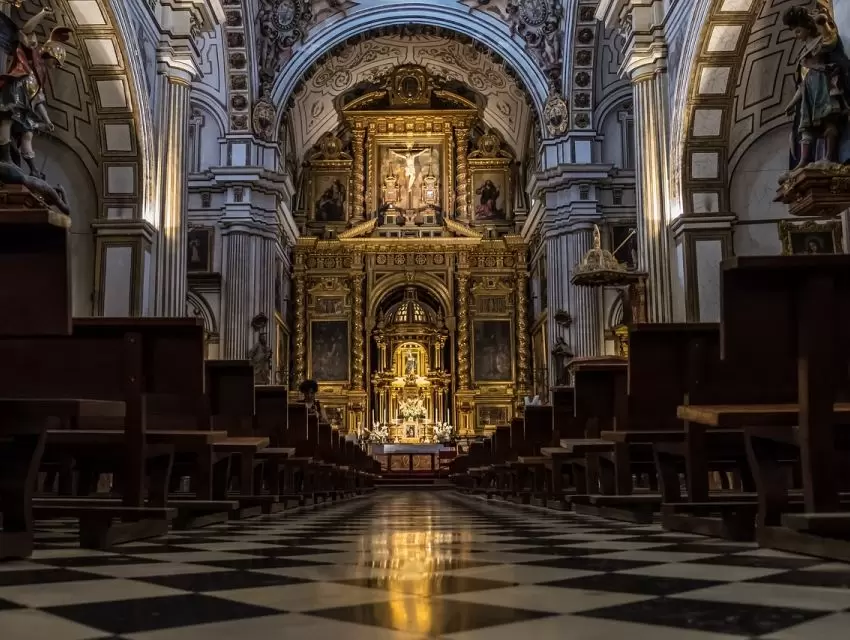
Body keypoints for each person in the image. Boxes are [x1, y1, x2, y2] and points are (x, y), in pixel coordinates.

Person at [782, 4, 850, 169]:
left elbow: (831, 41)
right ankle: (804, 160)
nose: (796, 36)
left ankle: (830, 157)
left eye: (798, 31)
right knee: (805, 126)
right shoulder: (803, 53)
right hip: (809, 91)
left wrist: (823, 23)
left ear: (807, 27)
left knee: (829, 120)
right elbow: (802, 82)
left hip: (823, 86)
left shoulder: (820, 42)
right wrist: (791, 103)